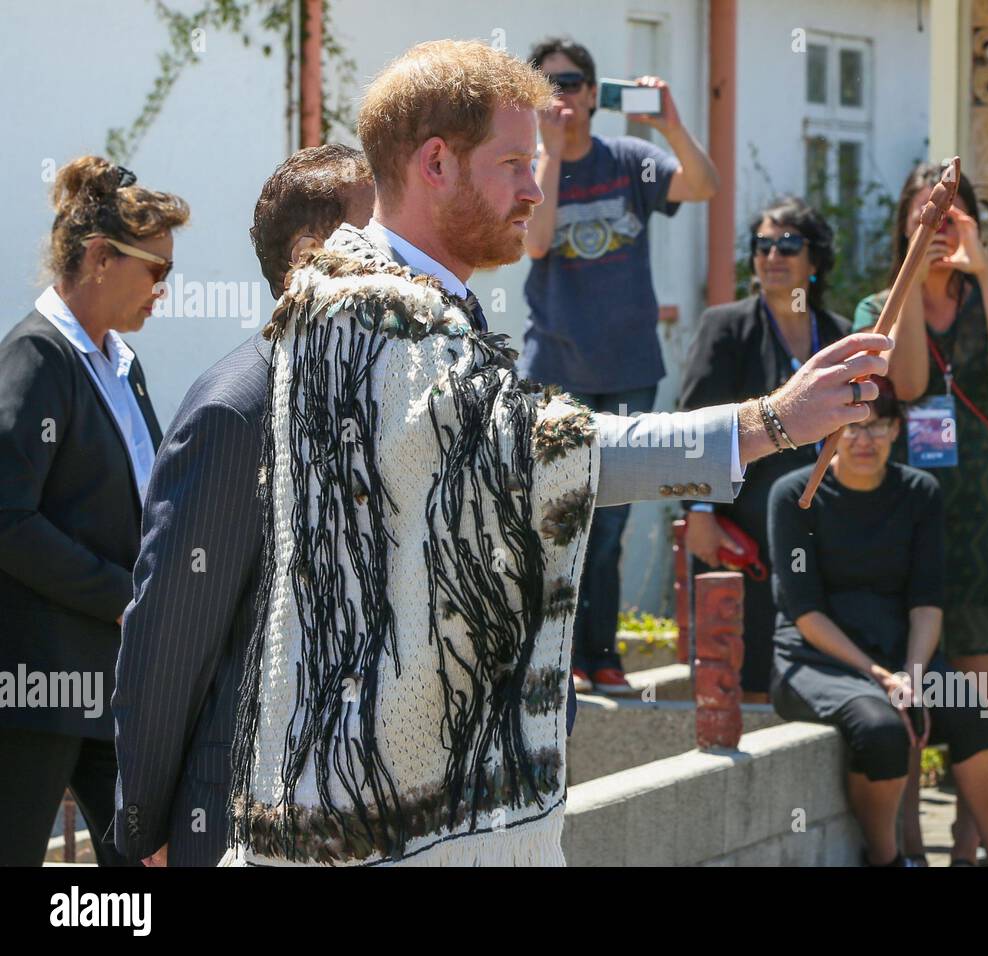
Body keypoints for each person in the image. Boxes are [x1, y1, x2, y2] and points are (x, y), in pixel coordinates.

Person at [220, 39, 890, 868]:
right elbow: (546, 450)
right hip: (374, 819)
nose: (537, 191)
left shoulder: (410, 310)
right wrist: (771, 422)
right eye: (514, 164)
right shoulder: (362, 319)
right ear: (436, 162)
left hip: (404, 796)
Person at [110, 145, 374, 868]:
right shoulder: (238, 411)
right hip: (234, 819)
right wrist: (145, 826)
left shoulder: (385, 397)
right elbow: (170, 639)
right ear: (309, 255)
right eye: (378, 237)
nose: (403, 261)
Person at [0, 156, 188, 866]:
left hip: (112, 681)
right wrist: (121, 596)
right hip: (33, 685)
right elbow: (6, 519)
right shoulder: (35, 359)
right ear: (101, 258)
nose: (163, 292)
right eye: (156, 272)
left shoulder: (119, 362)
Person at [522, 37, 719, 695]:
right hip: (555, 371)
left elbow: (702, 185)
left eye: (575, 82)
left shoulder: (629, 159)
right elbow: (537, 239)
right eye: (549, 84)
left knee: (610, 523)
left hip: (631, 369)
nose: (564, 95)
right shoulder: (529, 165)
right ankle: (558, 660)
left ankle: (600, 656)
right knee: (558, 517)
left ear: (595, 92)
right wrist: (548, 153)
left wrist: (667, 121)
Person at [855, 162, 988, 864]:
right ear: (905, 225)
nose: (936, 230)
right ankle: (907, 842)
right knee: (912, 690)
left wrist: (987, 273)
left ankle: (972, 845)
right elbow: (908, 384)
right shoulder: (881, 304)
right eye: (924, 217)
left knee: (980, 708)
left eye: (949, 217)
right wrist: (911, 280)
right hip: (909, 520)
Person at [768, 388, 988, 866]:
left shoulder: (919, 492)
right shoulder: (796, 496)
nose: (865, 438)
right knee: (881, 730)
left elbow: (927, 601)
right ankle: (887, 856)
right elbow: (804, 611)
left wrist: (913, 674)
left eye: (878, 425)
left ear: (896, 431)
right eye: (853, 426)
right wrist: (879, 676)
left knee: (970, 710)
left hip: (903, 653)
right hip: (818, 658)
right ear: (829, 433)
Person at [679, 197, 849, 701]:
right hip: (741, 526)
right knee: (745, 663)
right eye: (763, 245)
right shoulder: (727, 327)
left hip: (817, 527)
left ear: (814, 261)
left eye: (789, 245)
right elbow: (695, 423)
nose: (773, 255)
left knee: (811, 654)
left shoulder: (837, 335)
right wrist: (700, 511)